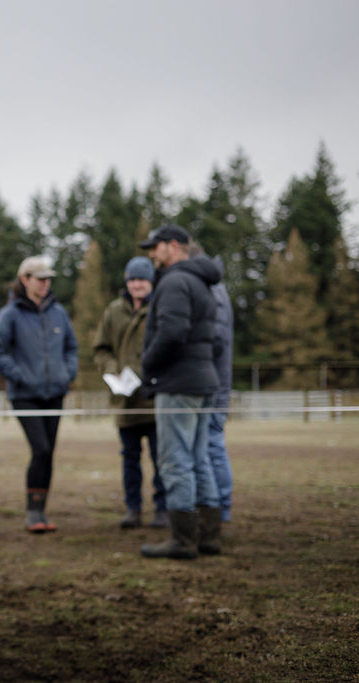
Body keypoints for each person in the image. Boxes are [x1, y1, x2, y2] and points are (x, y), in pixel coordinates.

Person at [137, 224, 223, 560]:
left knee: (176, 460)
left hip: (179, 383)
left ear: (173, 246)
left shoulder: (175, 281)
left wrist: (148, 365)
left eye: (155, 247)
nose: (151, 254)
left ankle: (183, 540)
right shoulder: (201, 281)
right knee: (199, 458)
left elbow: (172, 332)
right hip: (203, 379)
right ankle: (209, 536)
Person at [0, 256, 78, 533]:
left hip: (55, 393)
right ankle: (33, 512)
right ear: (25, 280)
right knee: (41, 449)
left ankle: (40, 511)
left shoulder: (58, 313)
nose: (45, 284)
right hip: (25, 396)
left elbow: (71, 347)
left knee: (48, 453)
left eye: (48, 279)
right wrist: (19, 376)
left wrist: (67, 373)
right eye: (40, 279)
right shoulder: (11, 314)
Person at [93, 256, 168, 529]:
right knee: (130, 457)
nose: (137, 285)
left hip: (154, 397)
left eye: (142, 280)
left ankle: (162, 508)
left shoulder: (161, 307)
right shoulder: (113, 311)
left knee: (161, 458)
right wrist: (112, 369)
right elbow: (101, 349)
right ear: (127, 282)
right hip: (125, 400)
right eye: (133, 280)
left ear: (151, 282)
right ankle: (133, 508)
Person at [190, 246, 235, 523]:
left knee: (212, 447)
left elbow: (214, 339)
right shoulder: (214, 288)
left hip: (212, 387)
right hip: (212, 383)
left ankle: (220, 507)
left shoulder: (212, 291)